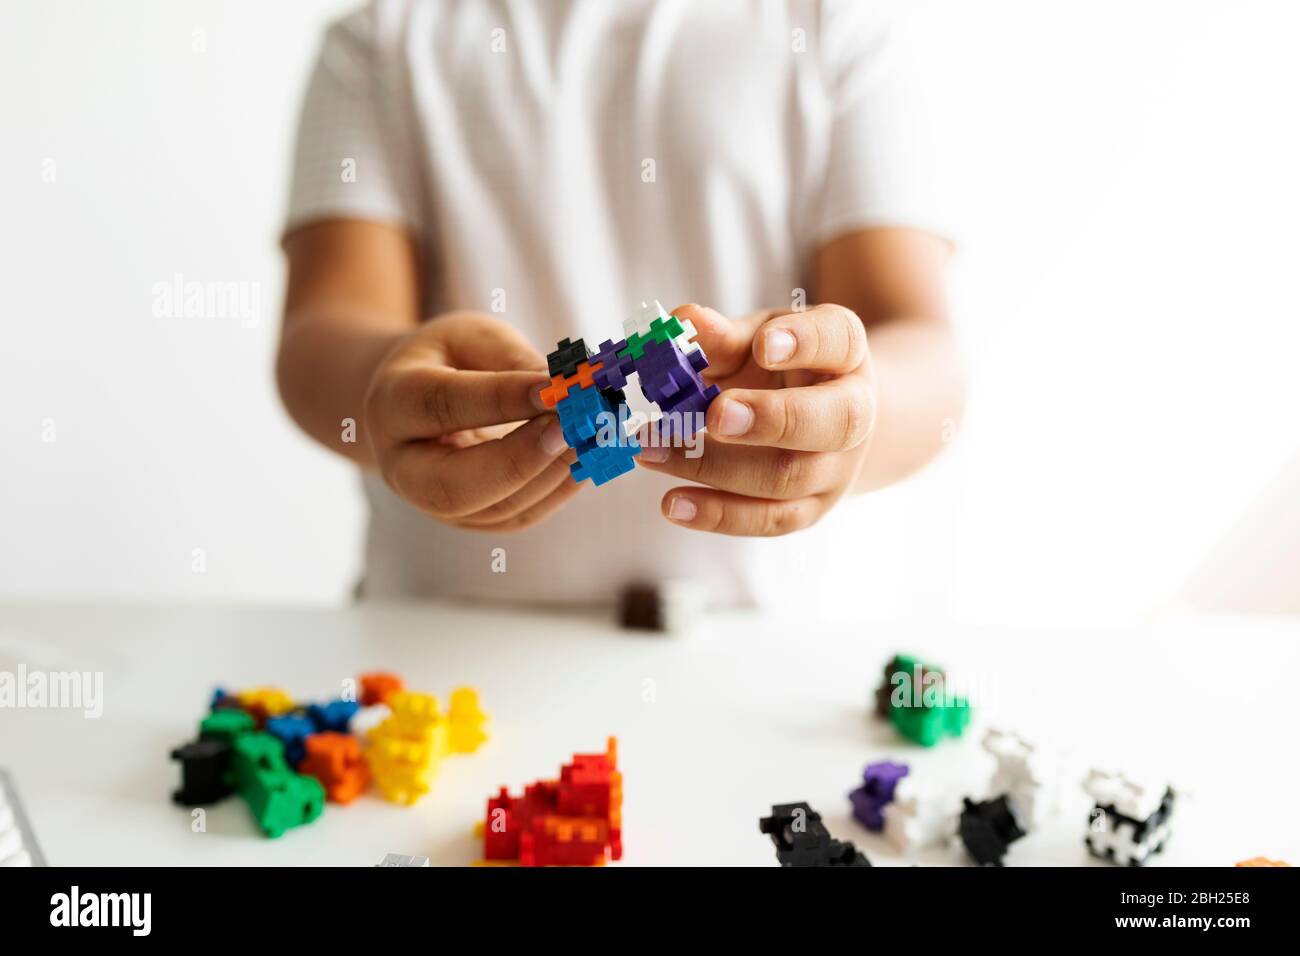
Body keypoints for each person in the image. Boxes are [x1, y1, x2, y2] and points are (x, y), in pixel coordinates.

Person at [277, 0, 963, 608]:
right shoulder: (380, 40)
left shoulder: (829, 29)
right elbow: (324, 327)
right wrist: (386, 390)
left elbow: (921, 343)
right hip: (440, 629)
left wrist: (853, 413)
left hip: (771, 638)